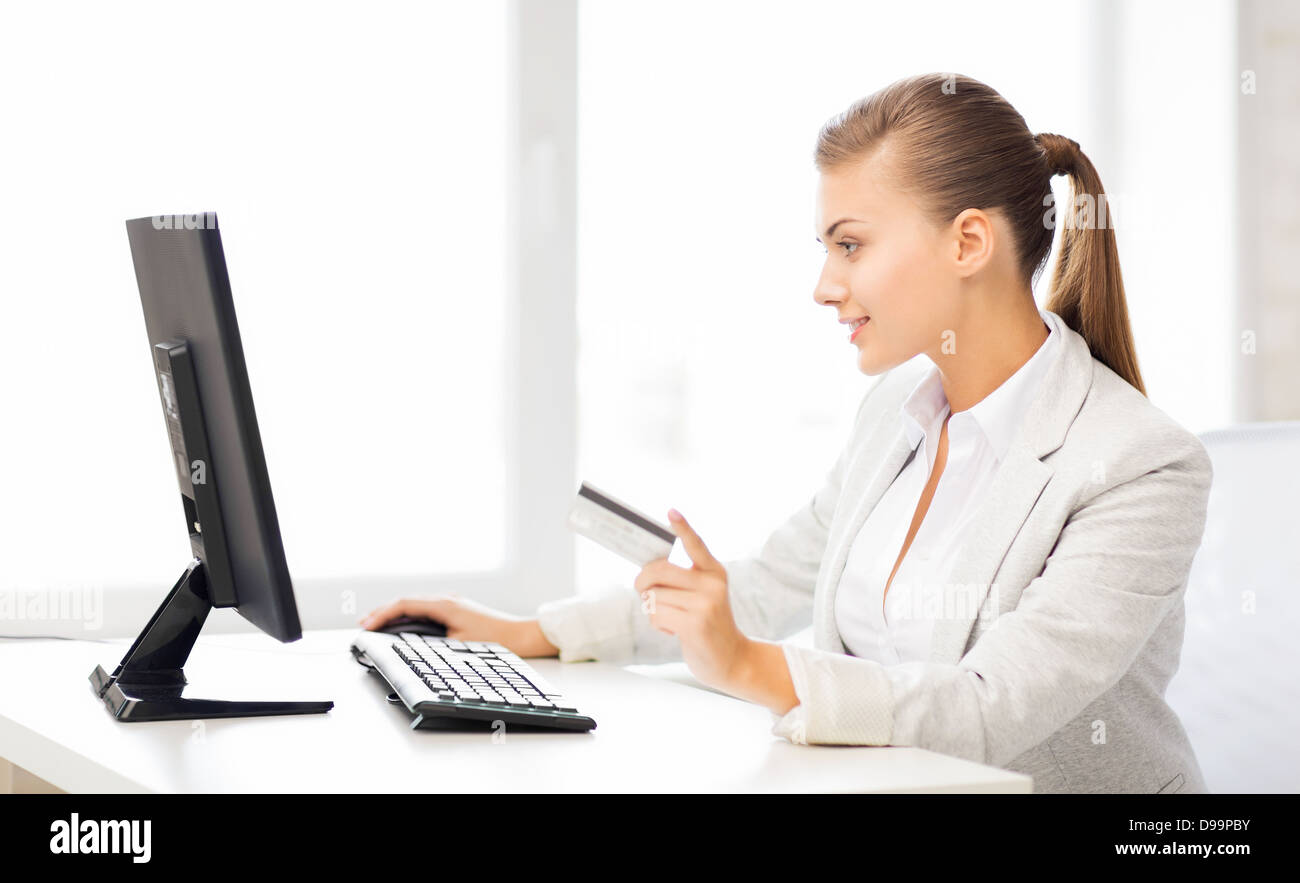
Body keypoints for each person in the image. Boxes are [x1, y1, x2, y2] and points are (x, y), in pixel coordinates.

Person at [360, 72, 1212, 794]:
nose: (824, 285)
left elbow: (988, 708)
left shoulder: (1140, 464)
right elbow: (767, 586)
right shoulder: (897, 413)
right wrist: (531, 634)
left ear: (970, 242)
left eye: (851, 245)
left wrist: (747, 666)